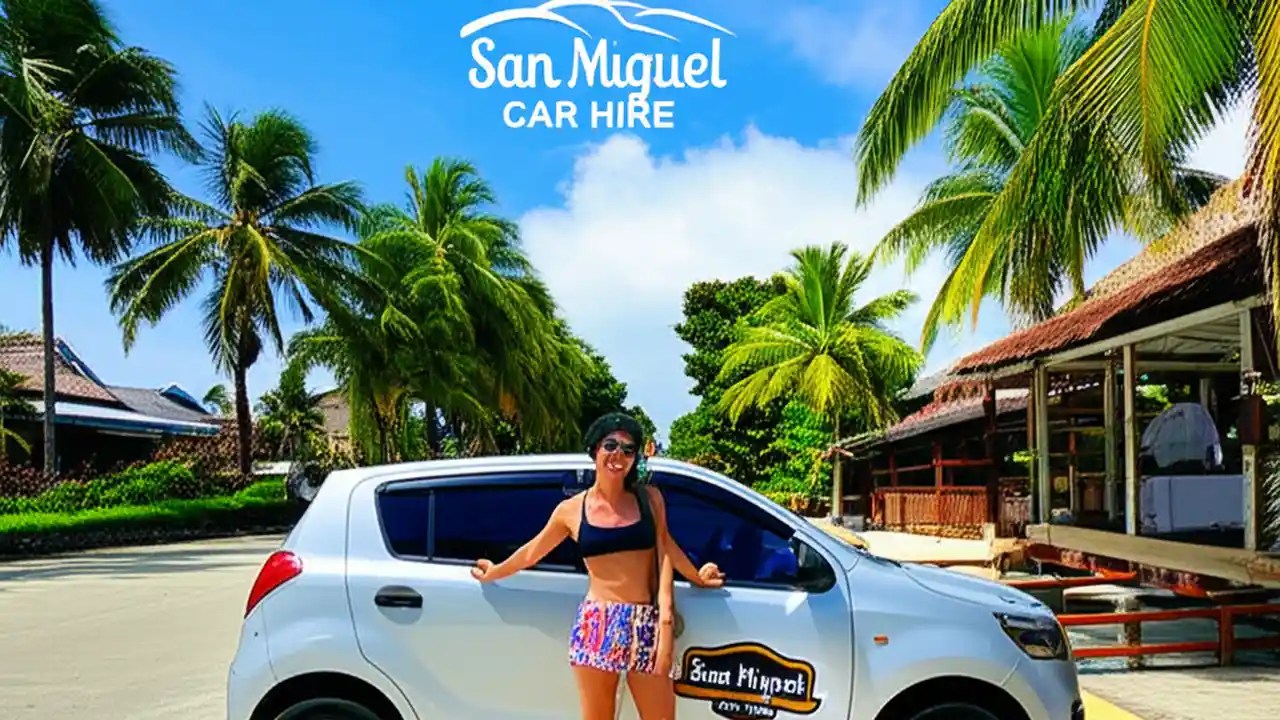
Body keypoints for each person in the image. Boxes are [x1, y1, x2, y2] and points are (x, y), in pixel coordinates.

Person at [471, 412, 725, 719]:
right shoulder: (571, 510)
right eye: (610, 445)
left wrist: (692, 585)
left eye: (628, 449)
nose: (619, 455)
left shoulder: (650, 499)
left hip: (646, 623)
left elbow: (666, 548)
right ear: (595, 449)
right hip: (597, 623)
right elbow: (532, 552)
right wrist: (495, 571)